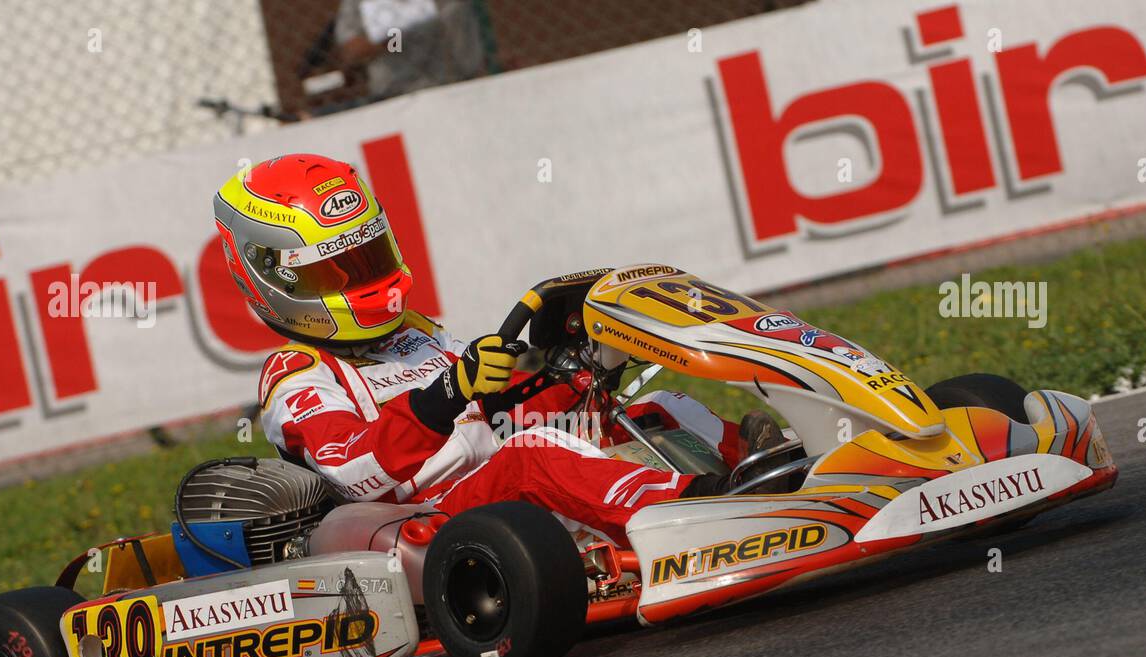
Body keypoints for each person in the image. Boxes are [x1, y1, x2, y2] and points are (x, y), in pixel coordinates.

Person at [212, 153, 782, 548]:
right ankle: (700, 512)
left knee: (646, 406)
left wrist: (570, 378)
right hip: (420, 526)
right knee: (531, 454)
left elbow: (493, 414)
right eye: (336, 268)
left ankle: (770, 470)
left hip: (495, 485)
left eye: (368, 258)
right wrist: (449, 391)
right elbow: (352, 472)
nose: (366, 279)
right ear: (276, 279)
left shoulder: (416, 332)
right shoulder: (297, 372)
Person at [335, 0, 486, 101]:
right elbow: (351, 49)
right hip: (397, 93)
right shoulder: (357, 3)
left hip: (457, 83)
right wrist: (397, 37)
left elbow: (453, 19)